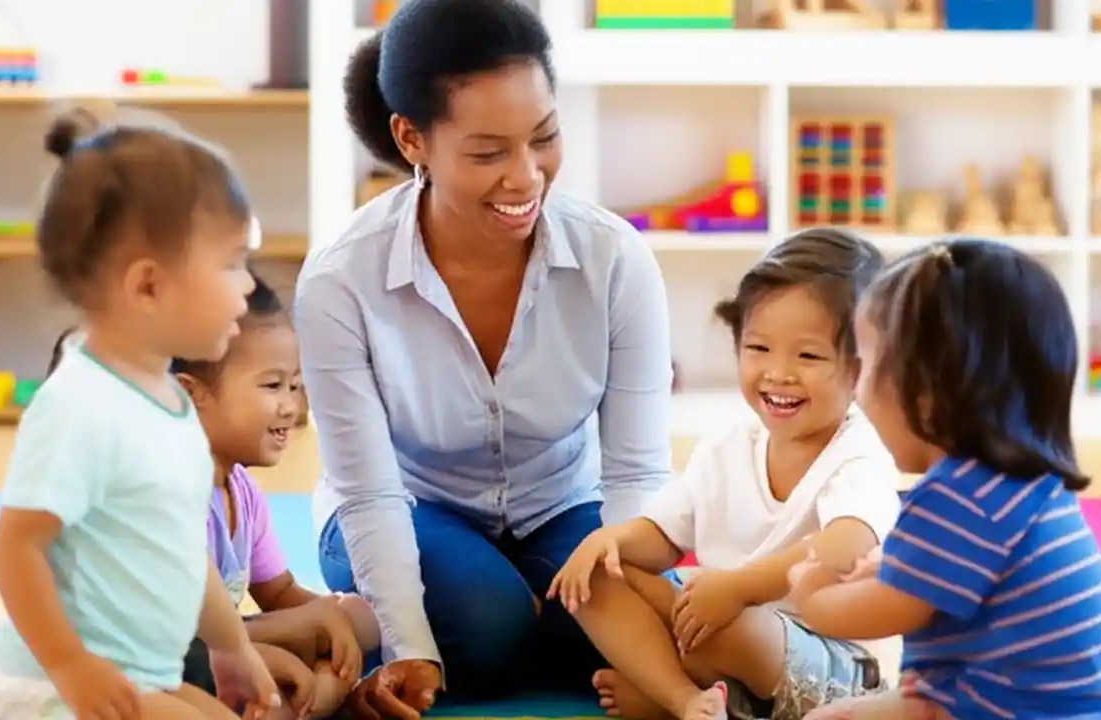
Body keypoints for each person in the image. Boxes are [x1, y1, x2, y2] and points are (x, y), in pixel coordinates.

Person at [294, 0, 674, 713]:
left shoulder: (615, 259)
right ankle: (455, 615)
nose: (527, 177)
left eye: (544, 137)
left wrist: (639, 603)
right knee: (483, 624)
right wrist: (408, 644)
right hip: (410, 505)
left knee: (623, 618)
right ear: (412, 139)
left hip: (562, 501)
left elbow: (637, 472)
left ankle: (506, 613)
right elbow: (371, 492)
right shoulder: (341, 282)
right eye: (488, 152)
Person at [0, 109, 279, 719]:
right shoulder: (80, 405)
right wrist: (68, 664)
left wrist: (231, 645)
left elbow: (184, 546)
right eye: (232, 263)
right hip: (49, 692)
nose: (246, 286)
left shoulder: (168, 401)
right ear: (149, 287)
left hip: (139, 675)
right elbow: (16, 547)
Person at [550, 228, 904, 720]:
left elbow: (847, 547)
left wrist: (736, 589)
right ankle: (686, 699)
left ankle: (676, 694)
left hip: (834, 661)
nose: (778, 373)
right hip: (716, 623)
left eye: (808, 356)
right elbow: (664, 537)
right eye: (758, 348)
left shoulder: (861, 450)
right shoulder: (726, 446)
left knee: (726, 623)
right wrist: (614, 541)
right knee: (594, 577)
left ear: (862, 368)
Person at [789, 239, 1101, 719]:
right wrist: (891, 567)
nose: (856, 390)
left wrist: (812, 597)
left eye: (864, 366)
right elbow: (962, 573)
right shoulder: (1015, 482)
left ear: (924, 391)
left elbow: (891, 610)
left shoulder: (958, 495)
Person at [171, 273, 382, 719]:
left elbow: (280, 592)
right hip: (175, 657)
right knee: (270, 703)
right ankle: (319, 699)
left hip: (228, 643)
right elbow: (179, 638)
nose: (291, 406)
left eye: (295, 385)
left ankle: (320, 693)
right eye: (272, 386)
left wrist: (332, 623)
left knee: (362, 614)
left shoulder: (242, 491)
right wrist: (303, 631)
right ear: (193, 394)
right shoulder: (173, 494)